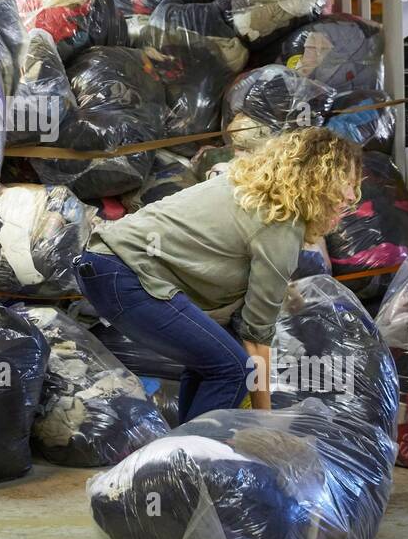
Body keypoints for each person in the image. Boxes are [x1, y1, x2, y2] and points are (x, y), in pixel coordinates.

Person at [73, 127, 362, 423]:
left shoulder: (246, 187)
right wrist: (265, 420)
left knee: (210, 364)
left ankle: (181, 457)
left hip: (104, 265)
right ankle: (196, 464)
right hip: (125, 273)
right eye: (346, 183)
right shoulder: (281, 224)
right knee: (234, 369)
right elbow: (255, 341)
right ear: (317, 177)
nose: (352, 195)